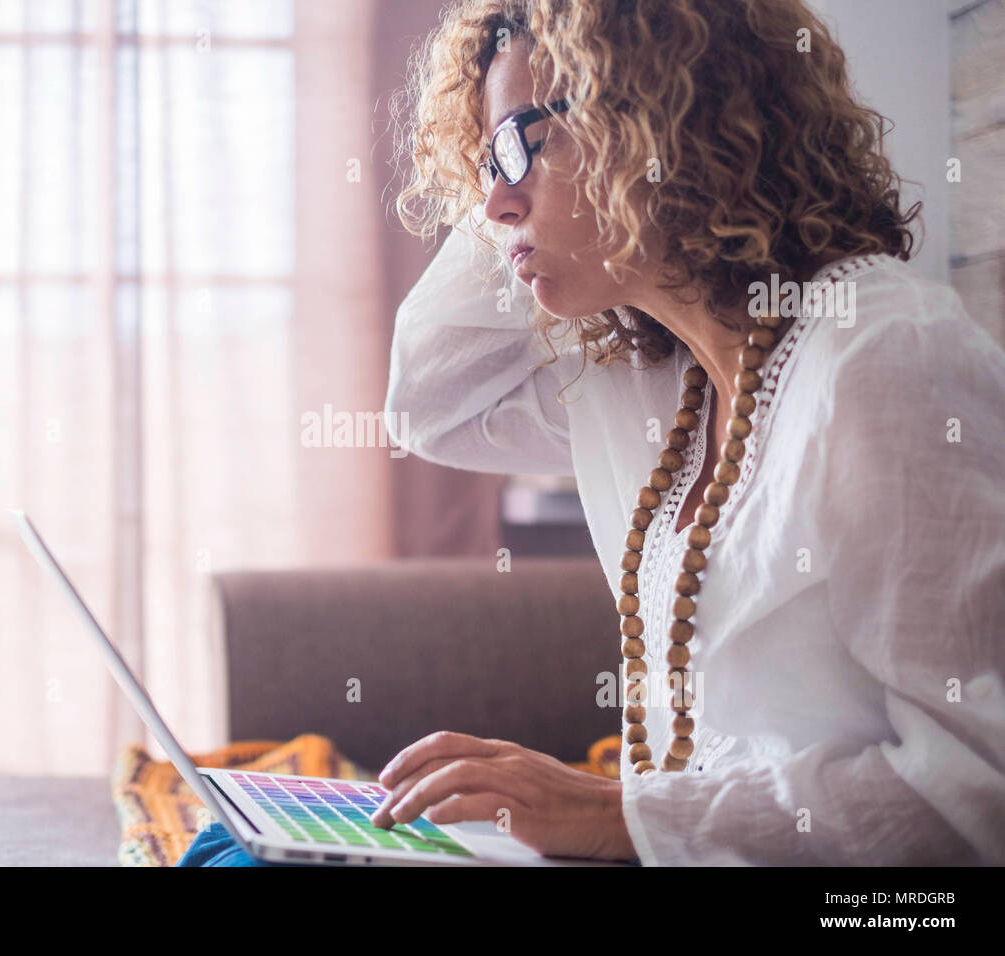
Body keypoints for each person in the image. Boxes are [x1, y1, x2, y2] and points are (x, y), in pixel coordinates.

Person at [181, 0, 1005, 866]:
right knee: (232, 851)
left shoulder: (886, 359)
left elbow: (977, 791)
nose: (494, 204)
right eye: (487, 163)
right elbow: (427, 402)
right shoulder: (643, 375)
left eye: (520, 150)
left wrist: (619, 817)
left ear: (656, 120)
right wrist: (525, 148)